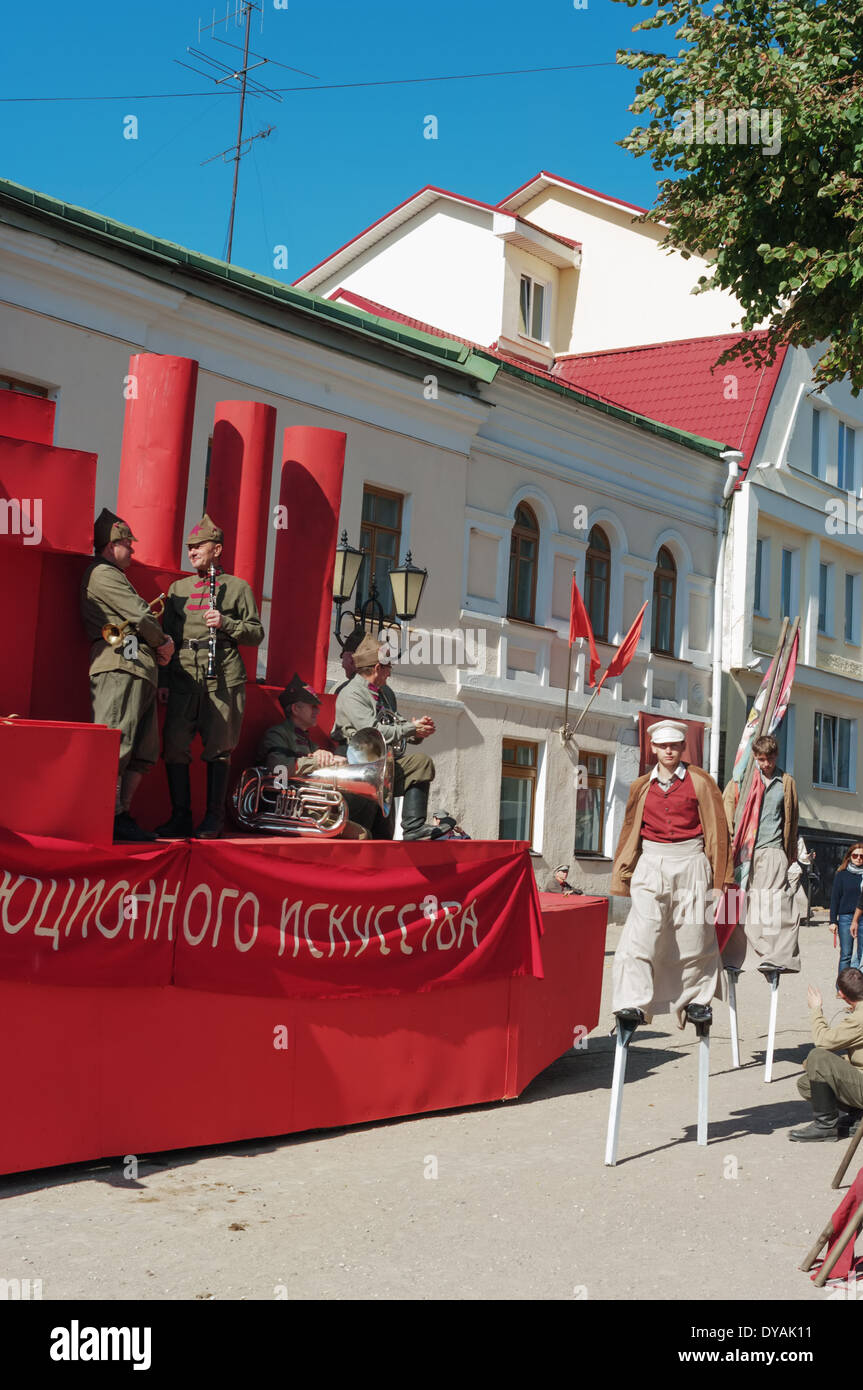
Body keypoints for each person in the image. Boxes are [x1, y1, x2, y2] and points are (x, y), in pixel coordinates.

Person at [610, 719, 733, 1030]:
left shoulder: (701, 782)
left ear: (682, 748)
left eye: (674, 745)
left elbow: (719, 832)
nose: (668, 750)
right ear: (653, 748)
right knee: (641, 934)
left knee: (694, 934)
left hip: (691, 861)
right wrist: (624, 872)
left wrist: (720, 882)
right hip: (651, 864)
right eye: (663, 745)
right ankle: (632, 1003)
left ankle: (696, 1001)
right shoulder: (641, 786)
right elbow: (629, 832)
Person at [158, 515, 264, 839]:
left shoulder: (237, 587)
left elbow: (256, 633)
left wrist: (227, 623)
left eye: (198, 546)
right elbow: (166, 637)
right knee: (174, 745)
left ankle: (213, 819)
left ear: (216, 549)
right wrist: (163, 679)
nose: (191, 552)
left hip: (223, 677)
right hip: (183, 676)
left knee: (218, 748)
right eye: (189, 548)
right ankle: (180, 816)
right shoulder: (178, 589)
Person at [80, 508, 174, 842]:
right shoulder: (102, 573)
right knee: (117, 744)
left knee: (143, 749)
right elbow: (140, 613)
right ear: (110, 545)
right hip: (119, 666)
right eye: (127, 544)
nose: (132, 551)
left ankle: (120, 813)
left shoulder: (114, 574)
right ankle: (106, 815)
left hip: (136, 668)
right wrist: (163, 641)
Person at [333, 634, 435, 840]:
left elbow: (395, 723)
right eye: (388, 669)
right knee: (368, 832)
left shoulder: (381, 693)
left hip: (381, 764)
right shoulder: (352, 693)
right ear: (378, 667)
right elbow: (372, 730)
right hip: (358, 766)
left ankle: (413, 829)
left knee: (421, 763)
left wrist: (418, 730)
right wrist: (411, 728)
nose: (389, 674)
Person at [256, 674, 383, 839]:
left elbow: (315, 766)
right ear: (295, 709)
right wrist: (316, 761)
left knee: (366, 816)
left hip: (308, 808)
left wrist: (335, 762)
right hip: (283, 809)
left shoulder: (306, 739)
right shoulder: (277, 734)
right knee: (362, 835)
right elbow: (279, 769)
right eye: (312, 706)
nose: (317, 711)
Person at [721, 733, 800, 975]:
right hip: (742, 850)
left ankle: (773, 956)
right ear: (755, 757)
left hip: (772, 848)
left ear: (776, 756)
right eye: (761, 759)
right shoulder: (741, 781)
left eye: (770, 758)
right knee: (733, 904)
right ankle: (727, 957)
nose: (766, 764)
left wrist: (791, 855)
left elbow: (792, 820)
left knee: (770, 904)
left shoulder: (785, 782)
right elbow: (726, 812)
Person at [788, 968, 863, 1142]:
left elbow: (823, 1042)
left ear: (841, 994)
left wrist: (816, 1009)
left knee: (817, 1056)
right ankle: (858, 1116)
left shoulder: (859, 1018)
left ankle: (825, 1126)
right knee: (808, 1083)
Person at [831, 843, 863, 975]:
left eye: (862, 856)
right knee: (846, 954)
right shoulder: (841, 875)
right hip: (845, 918)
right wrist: (833, 921)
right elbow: (835, 899)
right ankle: (842, 988)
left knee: (861, 954)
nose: (859, 858)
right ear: (849, 856)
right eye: (855, 855)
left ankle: (856, 987)